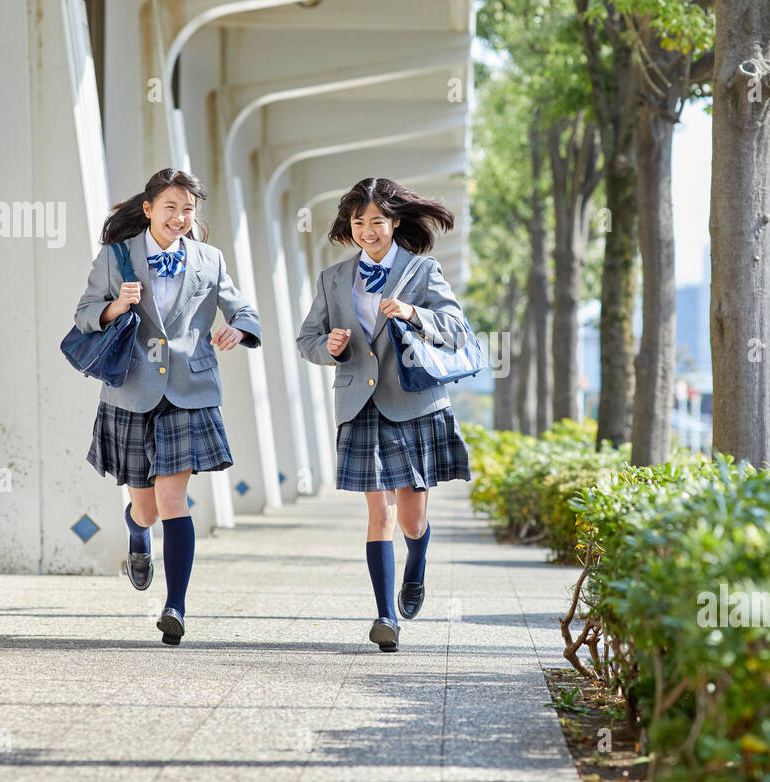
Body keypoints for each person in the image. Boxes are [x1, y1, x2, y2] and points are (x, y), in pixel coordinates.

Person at [73, 168, 261, 646]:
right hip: (132, 388)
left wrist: (237, 329)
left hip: (189, 390)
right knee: (148, 508)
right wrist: (116, 306)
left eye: (188, 210)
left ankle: (175, 606)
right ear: (149, 209)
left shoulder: (209, 259)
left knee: (174, 501)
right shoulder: (117, 257)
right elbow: (84, 314)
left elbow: (243, 309)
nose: (180, 218)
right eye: (171, 208)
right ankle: (137, 533)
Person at [296, 177, 472, 652]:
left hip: (413, 403)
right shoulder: (333, 278)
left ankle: (416, 562)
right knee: (380, 514)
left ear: (395, 222)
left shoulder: (422, 269)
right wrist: (328, 348)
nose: (367, 230)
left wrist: (414, 314)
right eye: (359, 222)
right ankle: (386, 617)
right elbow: (306, 339)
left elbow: (457, 331)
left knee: (411, 521)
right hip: (360, 405)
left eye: (377, 221)